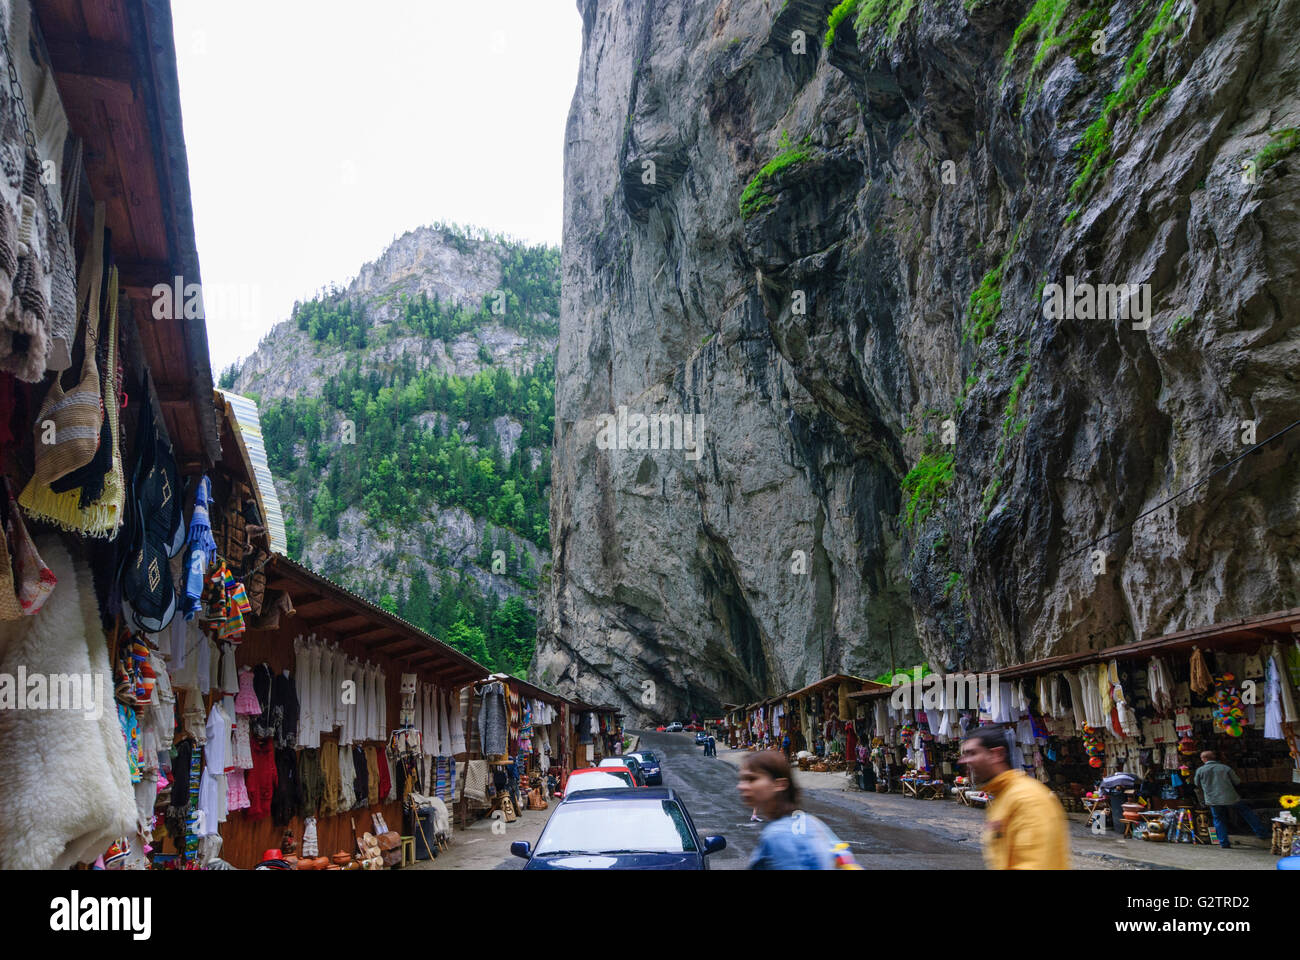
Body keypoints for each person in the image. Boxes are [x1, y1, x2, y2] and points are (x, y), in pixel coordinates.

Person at [959, 727, 1069, 870]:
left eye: (972, 753)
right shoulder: (1002, 795)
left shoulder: (1028, 797)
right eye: (964, 754)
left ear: (996, 754)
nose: (964, 760)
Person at [737, 750, 855, 869]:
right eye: (742, 779)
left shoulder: (779, 834)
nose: (741, 786)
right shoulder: (810, 822)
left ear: (779, 784)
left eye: (752, 779)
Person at [1193, 751, 1269, 848]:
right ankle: (1261, 833)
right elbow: (1237, 781)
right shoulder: (1225, 768)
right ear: (1214, 757)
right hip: (1231, 798)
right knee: (1246, 812)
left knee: (1219, 819)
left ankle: (1223, 842)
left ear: (1204, 759)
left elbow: (1196, 783)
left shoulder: (1200, 770)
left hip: (1213, 799)